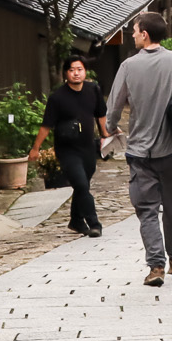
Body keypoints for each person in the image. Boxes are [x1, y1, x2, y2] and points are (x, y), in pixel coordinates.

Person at [104, 11, 172, 287]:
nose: (132, 35)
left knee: (146, 211)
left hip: (139, 153)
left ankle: (155, 265)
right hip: (170, 151)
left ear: (145, 34)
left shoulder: (128, 66)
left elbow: (113, 107)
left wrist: (111, 127)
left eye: (134, 30)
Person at [32, 57, 105, 238]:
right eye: (72, 70)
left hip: (88, 147)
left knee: (83, 185)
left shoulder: (93, 90)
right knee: (80, 183)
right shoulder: (57, 97)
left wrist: (105, 135)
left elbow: (101, 114)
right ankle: (94, 223)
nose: (76, 73)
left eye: (79, 69)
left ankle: (76, 220)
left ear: (85, 71)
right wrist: (36, 148)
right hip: (67, 149)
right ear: (66, 73)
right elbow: (46, 125)